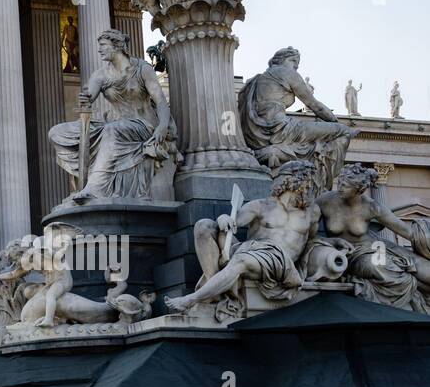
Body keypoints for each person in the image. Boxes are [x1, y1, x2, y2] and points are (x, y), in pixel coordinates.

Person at [165, 160, 318, 314]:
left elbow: (311, 242)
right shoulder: (261, 205)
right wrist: (223, 218)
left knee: (241, 260)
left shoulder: (312, 212)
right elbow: (233, 223)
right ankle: (214, 290)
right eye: (309, 185)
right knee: (203, 225)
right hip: (254, 251)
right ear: (292, 182)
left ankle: (193, 299)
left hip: (279, 262)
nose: (311, 190)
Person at [48, 28, 177, 203]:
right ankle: (91, 180)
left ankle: (96, 188)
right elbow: (90, 93)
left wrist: (162, 126)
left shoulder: (142, 69)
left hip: (143, 125)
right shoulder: (101, 75)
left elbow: (160, 100)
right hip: (115, 125)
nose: (99, 49)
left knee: (111, 130)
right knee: (57, 132)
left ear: (117, 46)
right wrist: (86, 97)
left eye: (103, 45)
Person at [312, 163, 430, 312]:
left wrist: (425, 238)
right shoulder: (325, 201)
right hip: (355, 254)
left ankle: (418, 285)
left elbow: (406, 231)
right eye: (340, 182)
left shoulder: (371, 206)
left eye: (345, 185)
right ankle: (415, 286)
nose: (340, 187)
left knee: (424, 269)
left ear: (359, 190)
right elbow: (308, 230)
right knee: (380, 267)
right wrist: (329, 241)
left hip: (378, 247)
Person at [238, 47, 355, 191]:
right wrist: (336, 124)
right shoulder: (286, 73)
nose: (296, 66)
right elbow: (315, 106)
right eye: (294, 61)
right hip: (282, 130)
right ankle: (323, 183)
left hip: (256, 136)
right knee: (343, 132)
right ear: (281, 60)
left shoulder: (256, 80)